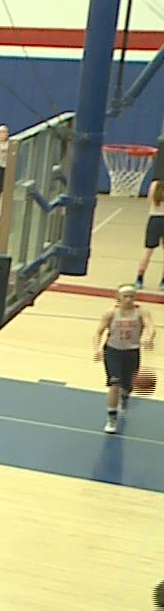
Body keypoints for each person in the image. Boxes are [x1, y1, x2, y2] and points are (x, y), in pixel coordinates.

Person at [93, 283, 155, 433]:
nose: (128, 299)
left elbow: (150, 326)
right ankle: (111, 418)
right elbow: (98, 332)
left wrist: (149, 337)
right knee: (114, 384)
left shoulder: (141, 312)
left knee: (127, 385)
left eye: (131, 296)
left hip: (132, 352)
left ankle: (125, 396)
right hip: (113, 351)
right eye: (125, 296)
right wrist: (97, 349)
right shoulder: (111, 313)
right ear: (118, 297)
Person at [139, 177, 164, 288]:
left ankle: (139, 279)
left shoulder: (154, 184)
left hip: (154, 219)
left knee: (148, 252)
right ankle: (163, 282)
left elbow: (149, 201)